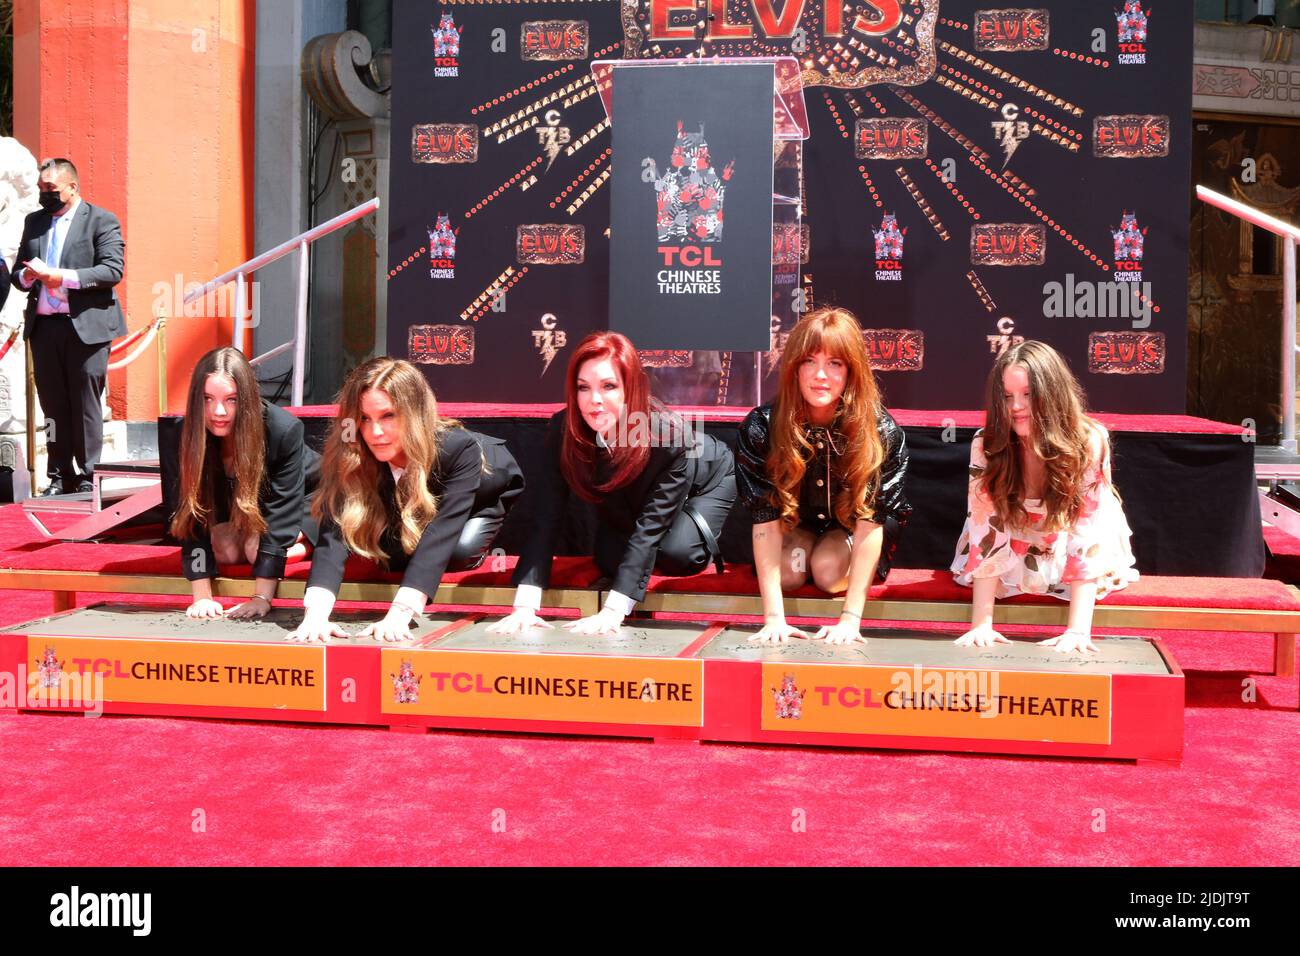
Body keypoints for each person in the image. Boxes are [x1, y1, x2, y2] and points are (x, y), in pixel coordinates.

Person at [488, 331, 736, 637]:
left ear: (629, 388)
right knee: (609, 560)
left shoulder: (671, 437)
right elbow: (546, 517)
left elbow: (650, 528)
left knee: (677, 554)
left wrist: (613, 612)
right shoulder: (564, 429)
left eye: (608, 386)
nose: (594, 400)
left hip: (707, 477)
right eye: (583, 388)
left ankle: (682, 537)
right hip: (637, 494)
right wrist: (524, 606)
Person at [290, 357, 524, 643]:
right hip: (411, 499)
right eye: (364, 418)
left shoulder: (458, 449)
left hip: (479, 494)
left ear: (414, 414)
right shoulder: (353, 448)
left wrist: (399, 614)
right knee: (392, 556)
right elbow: (333, 536)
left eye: (388, 416)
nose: (375, 433)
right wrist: (315, 616)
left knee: (457, 550)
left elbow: (441, 533)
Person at [736, 307, 911, 646]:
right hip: (795, 525)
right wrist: (774, 619)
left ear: (851, 371)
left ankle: (823, 556)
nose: (820, 375)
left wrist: (850, 619)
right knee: (788, 573)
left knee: (828, 572)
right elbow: (765, 520)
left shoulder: (880, 431)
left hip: (852, 529)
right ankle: (810, 553)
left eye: (834, 364)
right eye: (809, 362)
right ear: (794, 369)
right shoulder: (762, 426)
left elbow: (870, 522)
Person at [951, 340, 1139, 654]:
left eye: (1028, 394)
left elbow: (1086, 532)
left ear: (1052, 393)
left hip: (1072, 540)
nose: (1016, 406)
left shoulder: (1090, 441)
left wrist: (1078, 630)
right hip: (1011, 538)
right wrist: (981, 624)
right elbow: (986, 526)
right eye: (1007, 397)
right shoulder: (987, 443)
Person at [170, 348, 319, 620]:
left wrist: (262, 597)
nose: (218, 411)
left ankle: (311, 544)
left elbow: (282, 513)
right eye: (207, 399)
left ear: (247, 398)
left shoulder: (282, 429)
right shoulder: (183, 434)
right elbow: (189, 516)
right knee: (225, 550)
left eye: (232, 400)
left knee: (254, 550)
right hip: (255, 509)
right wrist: (202, 596)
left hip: (312, 495)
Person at [9, 158, 126, 495]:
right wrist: (26, 276)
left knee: (85, 402)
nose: (44, 195)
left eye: (51, 189)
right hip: (45, 328)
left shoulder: (101, 220)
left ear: (72, 187)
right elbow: (19, 271)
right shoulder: (35, 222)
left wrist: (62, 278)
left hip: (87, 327)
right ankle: (60, 475)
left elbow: (111, 270)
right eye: (41, 188)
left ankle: (90, 475)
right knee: (53, 406)